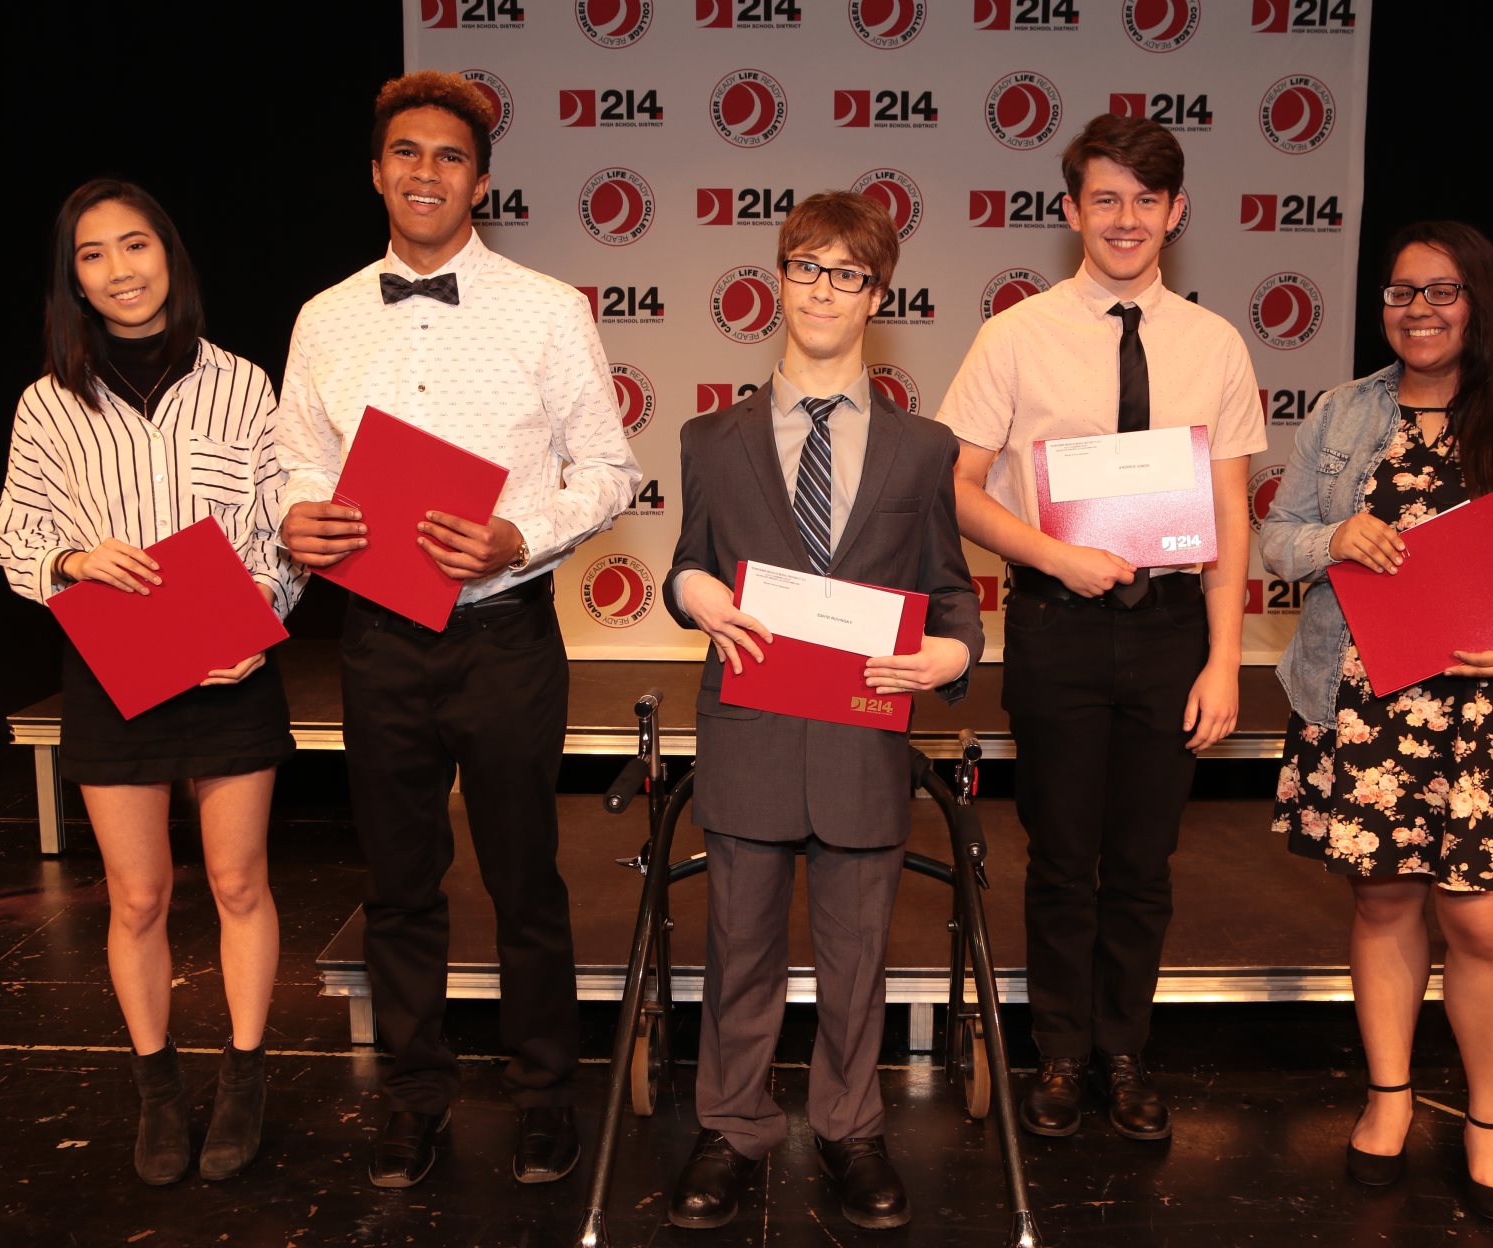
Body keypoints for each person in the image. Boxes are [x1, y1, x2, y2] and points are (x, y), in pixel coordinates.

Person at [273, 71, 639, 1188]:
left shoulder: (548, 308)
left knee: (526, 881)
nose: (425, 172)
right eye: (406, 153)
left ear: (481, 182)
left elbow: (610, 470)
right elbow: (295, 463)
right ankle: (414, 1100)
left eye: (449, 157)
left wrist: (519, 535)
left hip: (504, 637)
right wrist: (295, 514)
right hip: (379, 637)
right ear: (375, 172)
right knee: (398, 885)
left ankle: (544, 1097)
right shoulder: (324, 317)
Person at [1262, 220, 1493, 1220]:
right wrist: (1332, 538)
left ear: (1479, 301)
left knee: (1483, 919)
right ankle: (1387, 1097)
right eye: (1399, 292)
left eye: (1440, 292)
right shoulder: (1344, 412)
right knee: (1383, 902)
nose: (1417, 310)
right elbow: (1277, 538)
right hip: (1368, 705)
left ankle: (1488, 1118)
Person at [935, 112, 1262, 1141]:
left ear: (1176, 212)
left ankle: (1124, 1054)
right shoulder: (1014, 335)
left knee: (1144, 863)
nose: (1126, 219)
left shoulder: (1214, 344)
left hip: (1171, 630)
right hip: (1058, 625)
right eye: (1105, 198)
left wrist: (1224, 659)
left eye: (1146, 200)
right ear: (1072, 210)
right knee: (1060, 855)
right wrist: (1051, 553)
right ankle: (1060, 1056)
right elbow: (955, 488)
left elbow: (1230, 515)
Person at [662, 192, 983, 1231]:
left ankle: (851, 1128)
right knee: (738, 951)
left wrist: (948, 655)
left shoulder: (923, 448)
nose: (824, 290)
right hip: (750, 733)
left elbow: (952, 596)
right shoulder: (710, 438)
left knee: (857, 959)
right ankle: (732, 1126)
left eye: (848, 273)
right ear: (779, 277)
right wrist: (691, 594)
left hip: (861, 736)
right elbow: (686, 565)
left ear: (876, 294)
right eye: (807, 266)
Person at [0, 178, 303, 1186]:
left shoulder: (243, 385)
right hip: (114, 666)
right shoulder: (48, 403)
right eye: (93, 254)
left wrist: (259, 617)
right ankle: (159, 1089)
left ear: (170, 256)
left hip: (228, 663)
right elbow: (12, 533)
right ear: (72, 279)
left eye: (135, 245)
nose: (119, 269)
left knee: (239, 882)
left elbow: (281, 530)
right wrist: (75, 559)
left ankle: (244, 1078)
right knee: (136, 896)